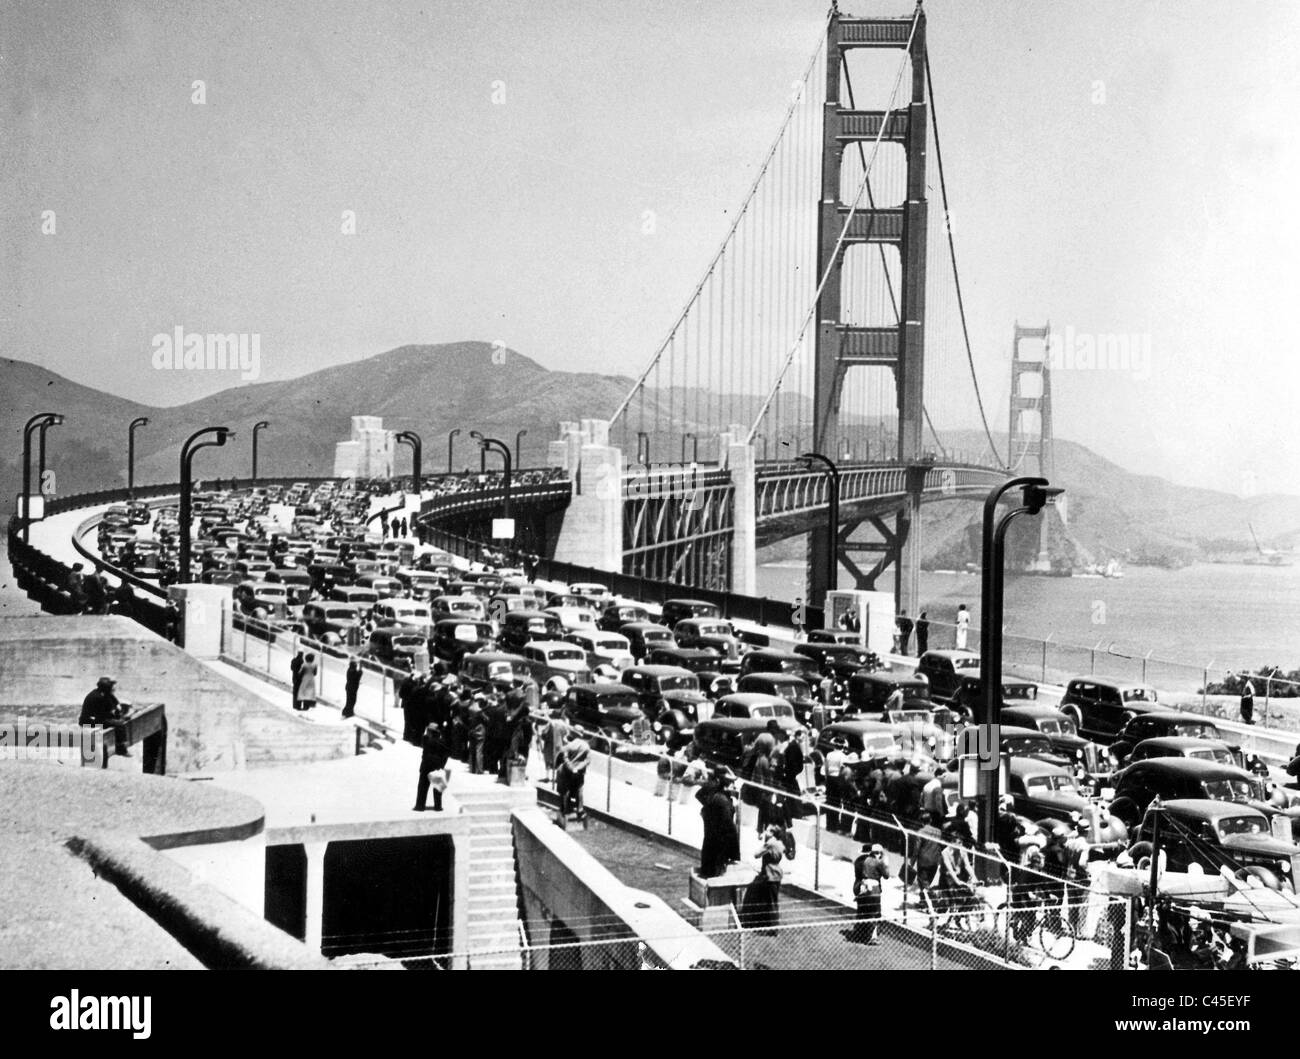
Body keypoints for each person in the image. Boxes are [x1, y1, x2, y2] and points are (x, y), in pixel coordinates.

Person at [742, 824, 788, 933]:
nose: (765, 832)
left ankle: (772, 928)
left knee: (769, 901)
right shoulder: (780, 843)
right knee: (772, 900)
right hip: (777, 874)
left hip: (770, 874)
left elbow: (756, 854)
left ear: (772, 833)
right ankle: (768, 925)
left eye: (767, 831)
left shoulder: (770, 843)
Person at [697, 767, 741, 878]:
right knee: (717, 860)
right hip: (720, 831)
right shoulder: (721, 798)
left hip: (712, 826)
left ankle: (706, 874)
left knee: (709, 851)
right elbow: (730, 827)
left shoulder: (717, 793)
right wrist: (735, 852)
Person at [853, 843, 890, 944]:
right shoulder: (878, 862)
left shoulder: (860, 861)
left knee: (862, 911)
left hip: (861, 887)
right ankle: (872, 937)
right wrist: (885, 863)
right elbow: (886, 875)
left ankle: (859, 933)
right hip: (874, 890)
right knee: (875, 913)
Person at [413, 722, 451, 812]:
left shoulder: (427, 740)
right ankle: (438, 806)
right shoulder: (442, 742)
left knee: (423, 787)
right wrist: (441, 765)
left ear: (430, 731)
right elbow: (446, 755)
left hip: (426, 766)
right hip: (437, 766)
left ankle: (420, 805)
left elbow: (424, 745)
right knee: (438, 788)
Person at [557, 728, 590, 820]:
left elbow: (565, 758)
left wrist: (571, 768)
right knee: (579, 789)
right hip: (579, 773)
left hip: (568, 771)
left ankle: (565, 810)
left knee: (565, 789)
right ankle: (580, 810)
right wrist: (578, 768)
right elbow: (587, 761)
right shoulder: (586, 746)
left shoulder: (569, 745)